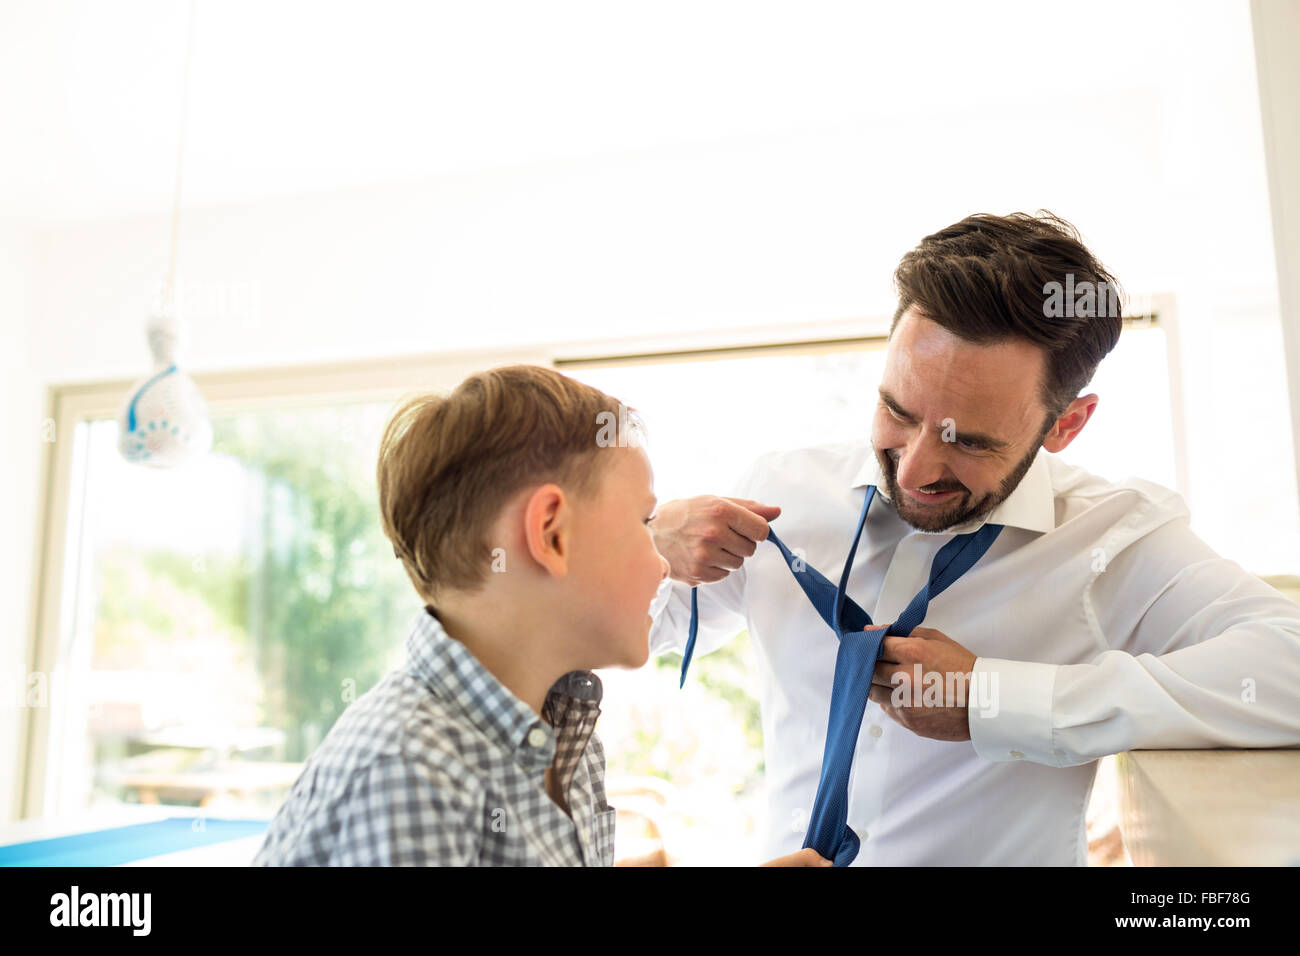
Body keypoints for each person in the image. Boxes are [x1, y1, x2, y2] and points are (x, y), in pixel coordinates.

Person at [647, 211, 1300, 865]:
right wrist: (648, 547)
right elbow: (635, 635)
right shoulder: (782, 491)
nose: (915, 469)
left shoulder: (1116, 537)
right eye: (898, 413)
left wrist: (996, 700)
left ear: (1065, 425)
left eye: (970, 441)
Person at [252, 363, 829, 866]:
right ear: (551, 533)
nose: (662, 564)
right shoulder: (407, 774)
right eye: (642, 523)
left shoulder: (565, 735)